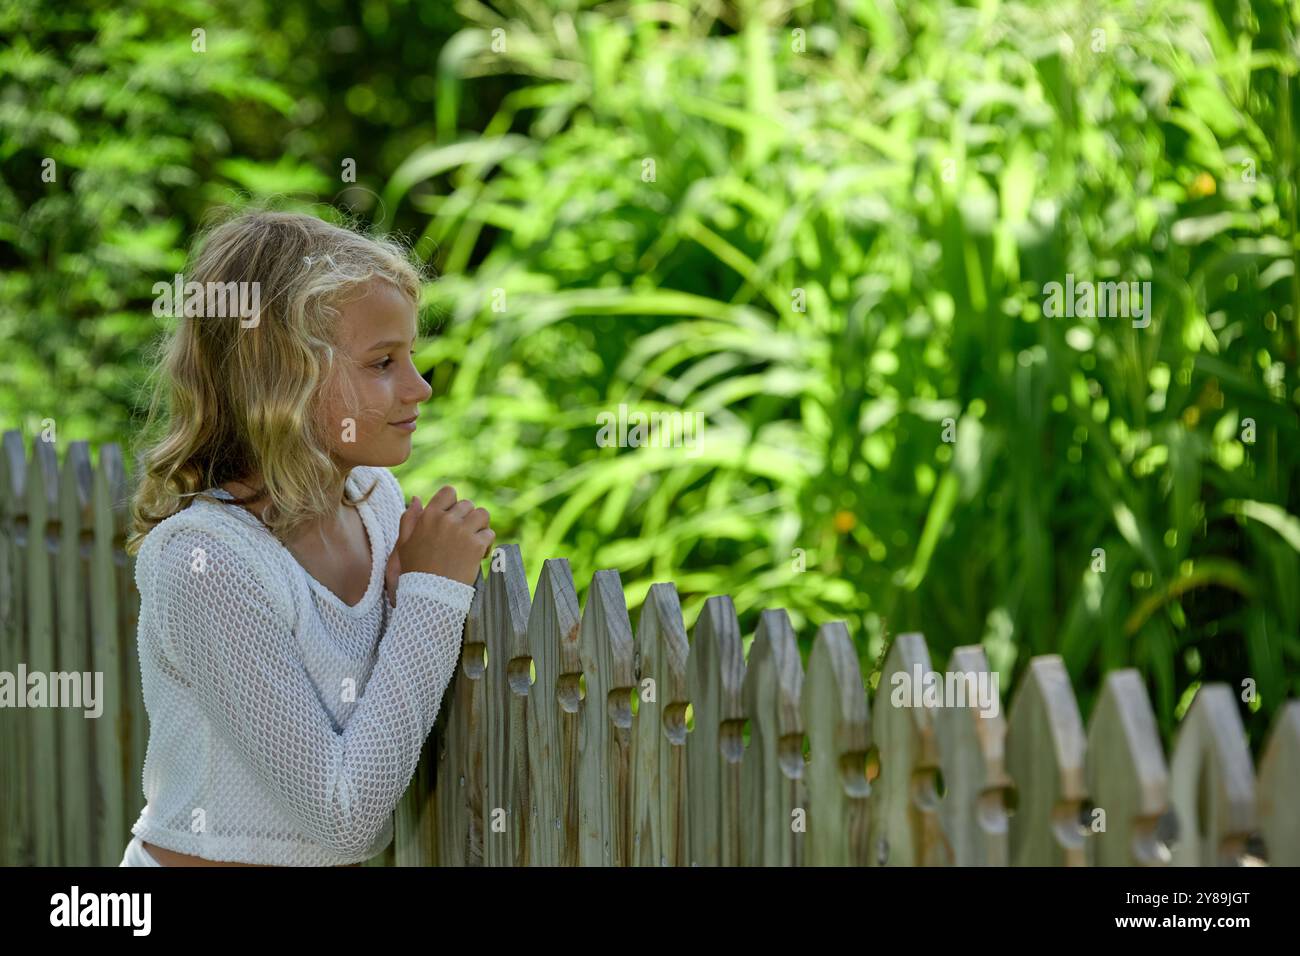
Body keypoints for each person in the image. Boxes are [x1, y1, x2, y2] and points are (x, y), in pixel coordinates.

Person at [118, 209, 493, 866]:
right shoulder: (208, 561)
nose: (420, 388)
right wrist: (432, 596)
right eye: (383, 363)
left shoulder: (378, 507)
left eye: (412, 358)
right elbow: (342, 819)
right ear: (283, 377)